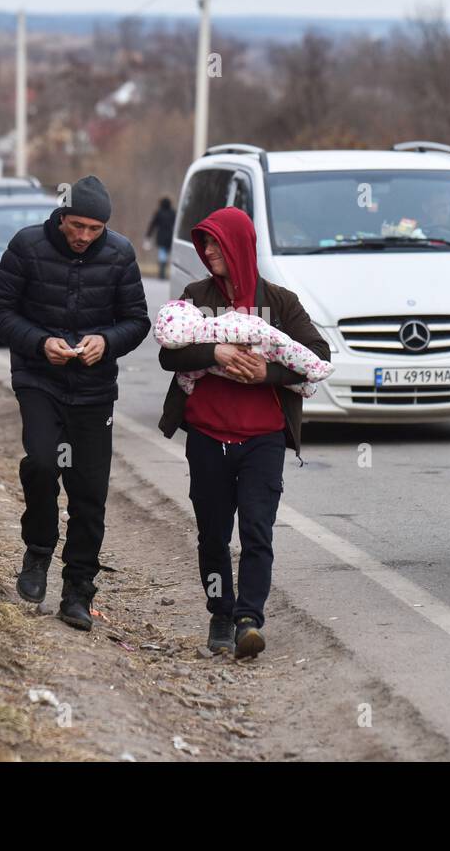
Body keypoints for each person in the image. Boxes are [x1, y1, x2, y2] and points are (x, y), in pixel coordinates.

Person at [156, 206, 329, 659]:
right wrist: (214, 349)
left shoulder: (281, 302)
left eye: (215, 243)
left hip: (262, 440)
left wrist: (265, 372)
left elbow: (316, 353)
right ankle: (220, 612)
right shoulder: (196, 296)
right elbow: (169, 357)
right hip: (209, 436)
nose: (208, 251)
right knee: (213, 533)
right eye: (204, 243)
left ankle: (249, 619)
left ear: (239, 245)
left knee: (257, 531)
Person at [0, 175, 150, 631]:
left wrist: (106, 341)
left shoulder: (119, 254)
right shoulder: (27, 246)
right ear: (62, 218)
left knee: (89, 492)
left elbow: (137, 321)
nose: (83, 237)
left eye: (93, 229)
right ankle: (37, 552)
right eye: (76, 225)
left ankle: (78, 590)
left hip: (95, 390)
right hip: (40, 379)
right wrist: (41, 344)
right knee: (41, 463)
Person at [145, 196, 176, 279]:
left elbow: (152, 225)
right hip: (170, 236)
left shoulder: (159, 212)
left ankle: (161, 274)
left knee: (162, 255)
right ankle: (168, 273)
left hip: (161, 236)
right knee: (168, 255)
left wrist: (148, 236)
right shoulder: (173, 212)